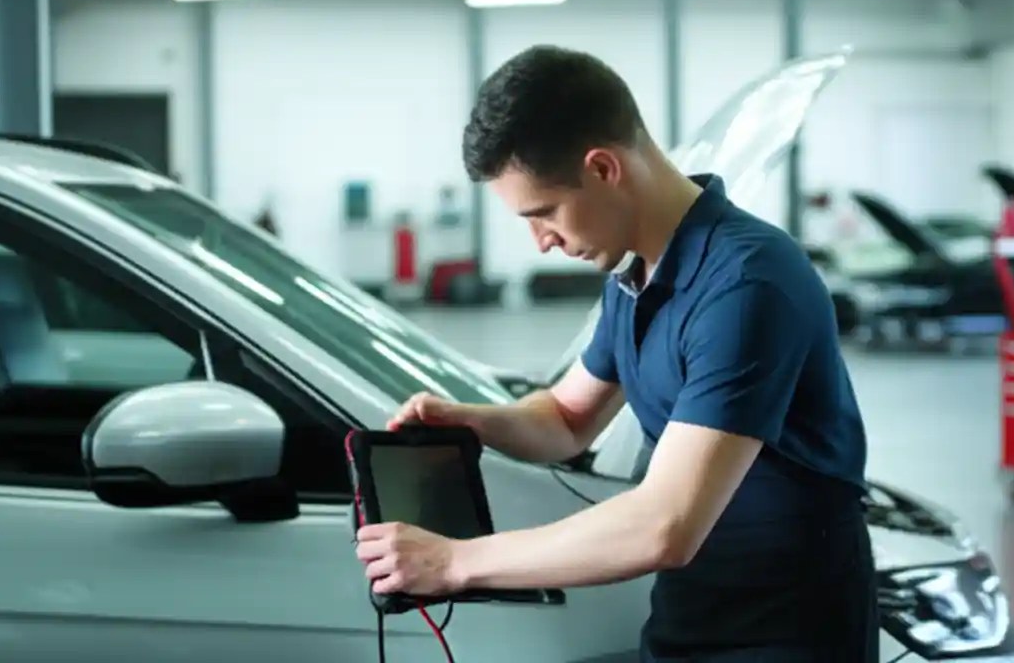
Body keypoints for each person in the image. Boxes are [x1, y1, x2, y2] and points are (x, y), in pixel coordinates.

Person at [355, 45, 878, 662]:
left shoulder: (747, 283)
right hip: (690, 623)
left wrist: (455, 562)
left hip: (784, 638)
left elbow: (667, 524)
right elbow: (567, 419)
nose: (541, 242)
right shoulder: (635, 277)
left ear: (603, 168)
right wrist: (471, 420)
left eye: (544, 213)